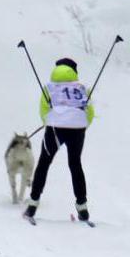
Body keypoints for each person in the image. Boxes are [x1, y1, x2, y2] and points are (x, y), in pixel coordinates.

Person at [24, 58, 95, 221]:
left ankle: (33, 205)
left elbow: (43, 110)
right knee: (75, 164)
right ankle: (82, 207)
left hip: (55, 129)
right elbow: (89, 112)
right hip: (77, 129)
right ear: (73, 71)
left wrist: (49, 122)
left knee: (44, 163)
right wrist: (80, 126)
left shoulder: (49, 88)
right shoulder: (82, 88)